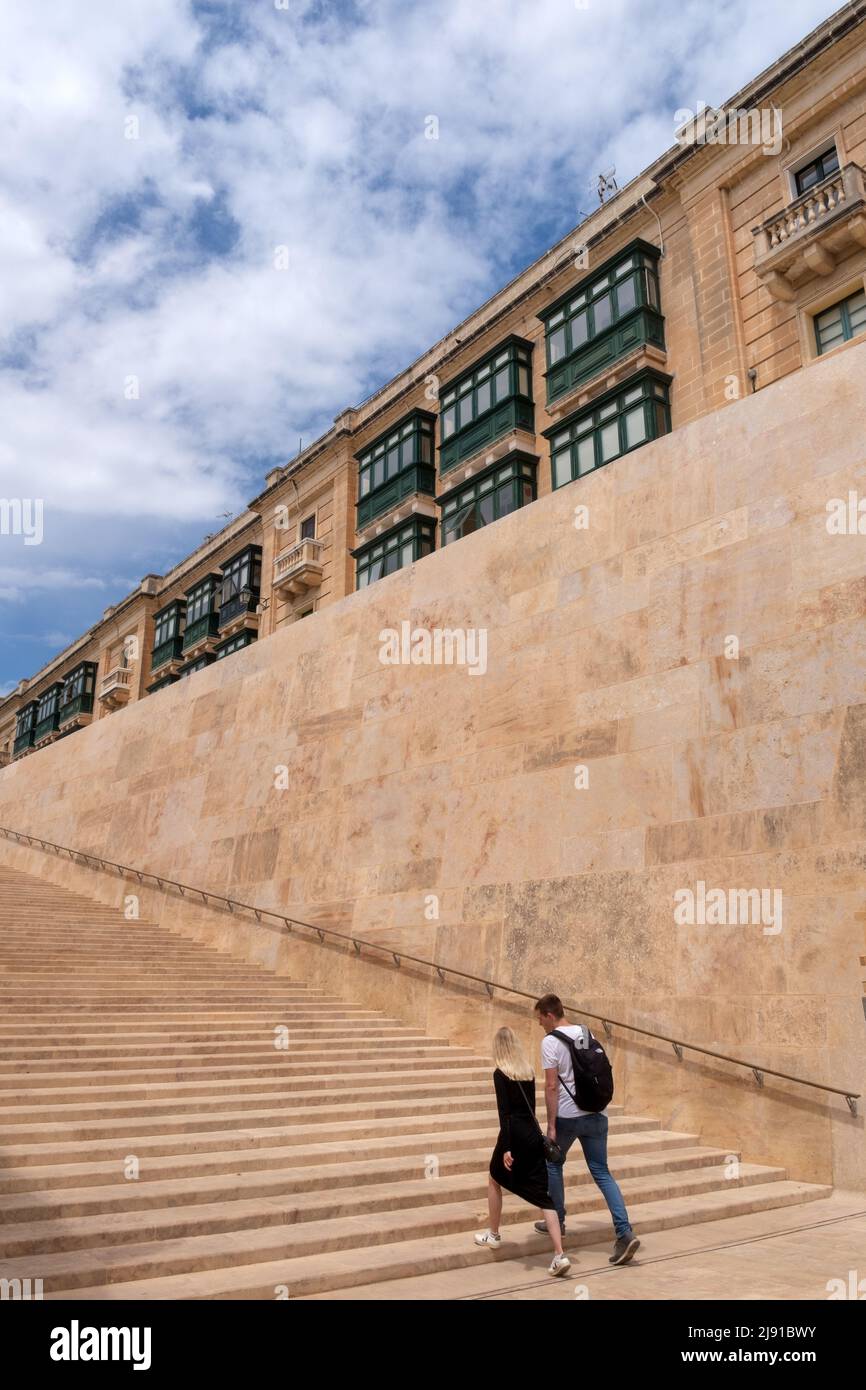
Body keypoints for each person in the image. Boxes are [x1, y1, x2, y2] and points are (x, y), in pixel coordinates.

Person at [533, 993, 640, 1266]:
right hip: (596, 1114)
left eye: (540, 1019)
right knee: (602, 1172)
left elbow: (551, 1086)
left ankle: (558, 1221)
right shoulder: (585, 1031)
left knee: (553, 1164)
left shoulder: (550, 1041)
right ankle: (625, 1232)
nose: (540, 1025)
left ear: (549, 1015)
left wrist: (551, 1126)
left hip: (569, 1116)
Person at [474, 1025, 571, 1276]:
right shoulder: (527, 1072)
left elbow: (504, 1113)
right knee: (542, 1195)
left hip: (514, 1135)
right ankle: (560, 1255)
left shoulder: (500, 1073)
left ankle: (494, 1234)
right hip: (532, 1134)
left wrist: (506, 1147)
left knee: (494, 1177)